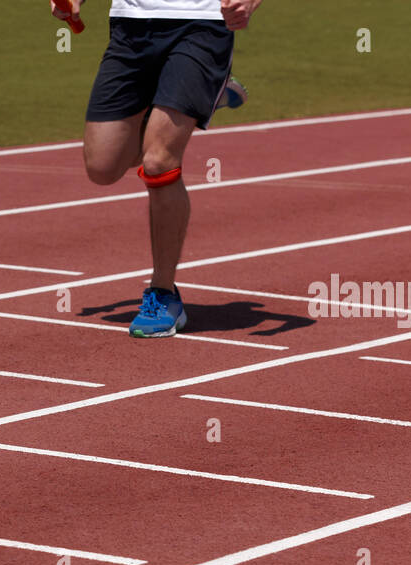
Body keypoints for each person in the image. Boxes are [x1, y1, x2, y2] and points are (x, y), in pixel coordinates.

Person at [54, 0, 263, 337]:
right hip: (131, 27)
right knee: (102, 167)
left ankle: (163, 294)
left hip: (201, 23)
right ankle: (209, 92)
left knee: (158, 161)